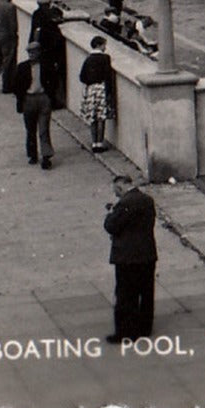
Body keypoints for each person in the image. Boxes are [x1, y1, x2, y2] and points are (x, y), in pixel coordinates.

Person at [103, 175, 157, 344]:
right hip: (147, 254)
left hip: (127, 257)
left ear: (120, 188)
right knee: (146, 292)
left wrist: (111, 213)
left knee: (126, 295)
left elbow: (111, 226)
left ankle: (125, 332)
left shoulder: (124, 204)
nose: (117, 196)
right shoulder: (147, 200)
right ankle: (145, 327)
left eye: (117, 192)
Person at [10, 40, 53, 170]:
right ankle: (33, 154)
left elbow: (54, 81)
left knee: (44, 129)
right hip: (28, 99)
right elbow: (16, 86)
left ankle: (46, 156)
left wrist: (49, 97)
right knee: (30, 129)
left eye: (34, 52)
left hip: (43, 98)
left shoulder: (46, 65)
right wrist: (21, 99)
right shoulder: (22, 67)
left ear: (39, 52)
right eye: (30, 53)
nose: (31, 55)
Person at [80, 36, 115, 153]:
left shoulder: (88, 59)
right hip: (101, 88)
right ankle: (100, 142)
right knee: (101, 117)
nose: (105, 47)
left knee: (93, 117)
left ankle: (94, 142)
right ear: (99, 45)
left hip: (91, 89)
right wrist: (110, 93)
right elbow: (108, 76)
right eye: (104, 45)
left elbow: (82, 77)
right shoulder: (105, 58)